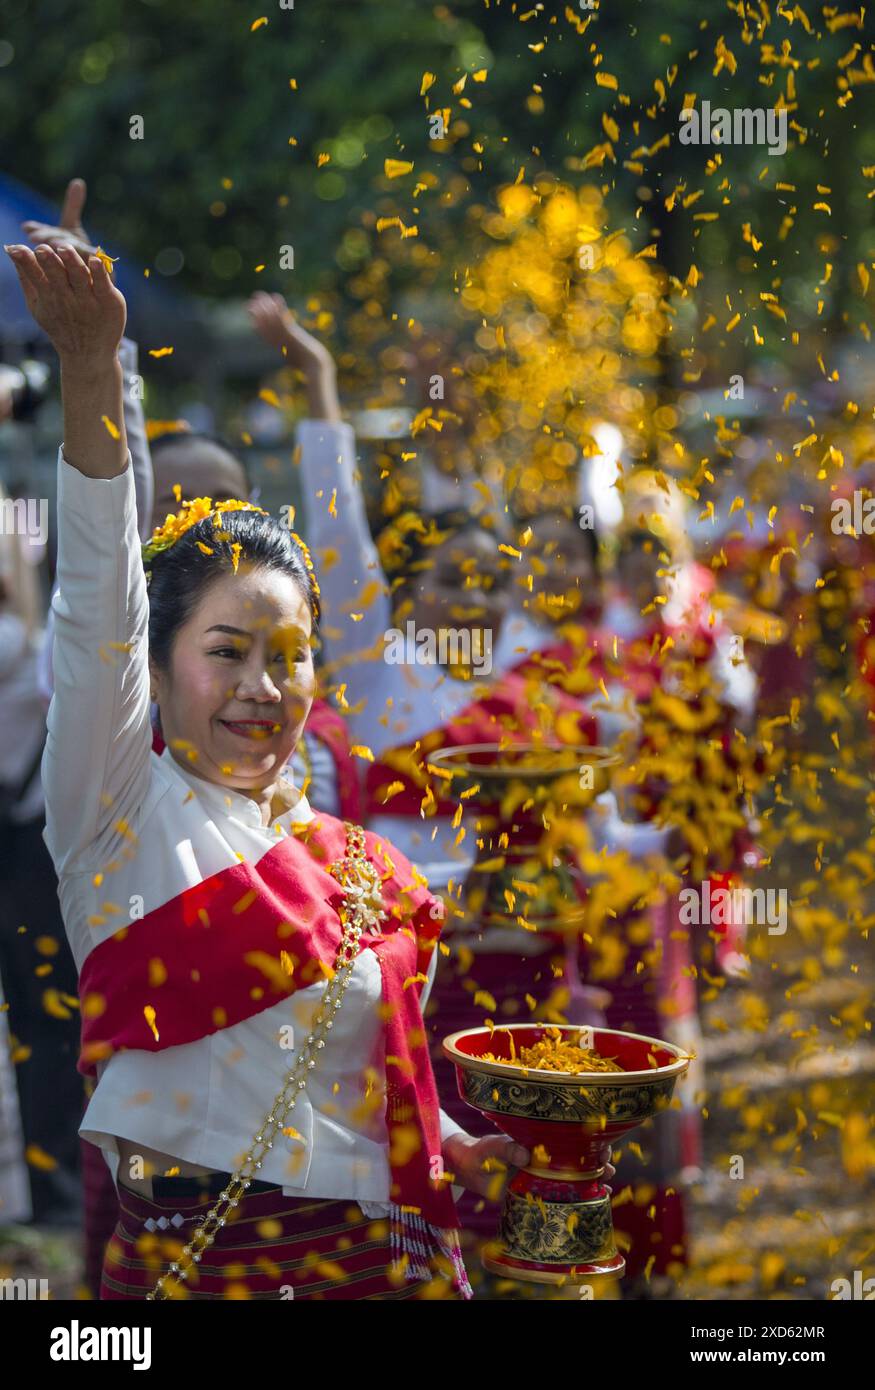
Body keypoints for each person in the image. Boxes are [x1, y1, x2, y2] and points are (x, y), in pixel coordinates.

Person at [4, 238, 547, 1301]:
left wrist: (445, 1143)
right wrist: (91, 372)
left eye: (289, 657)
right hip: (204, 1269)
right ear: (154, 670)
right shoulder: (118, 809)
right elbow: (97, 605)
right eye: (226, 653)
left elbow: (347, 1067)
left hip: (385, 1264)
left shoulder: (353, 859)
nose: (264, 686)